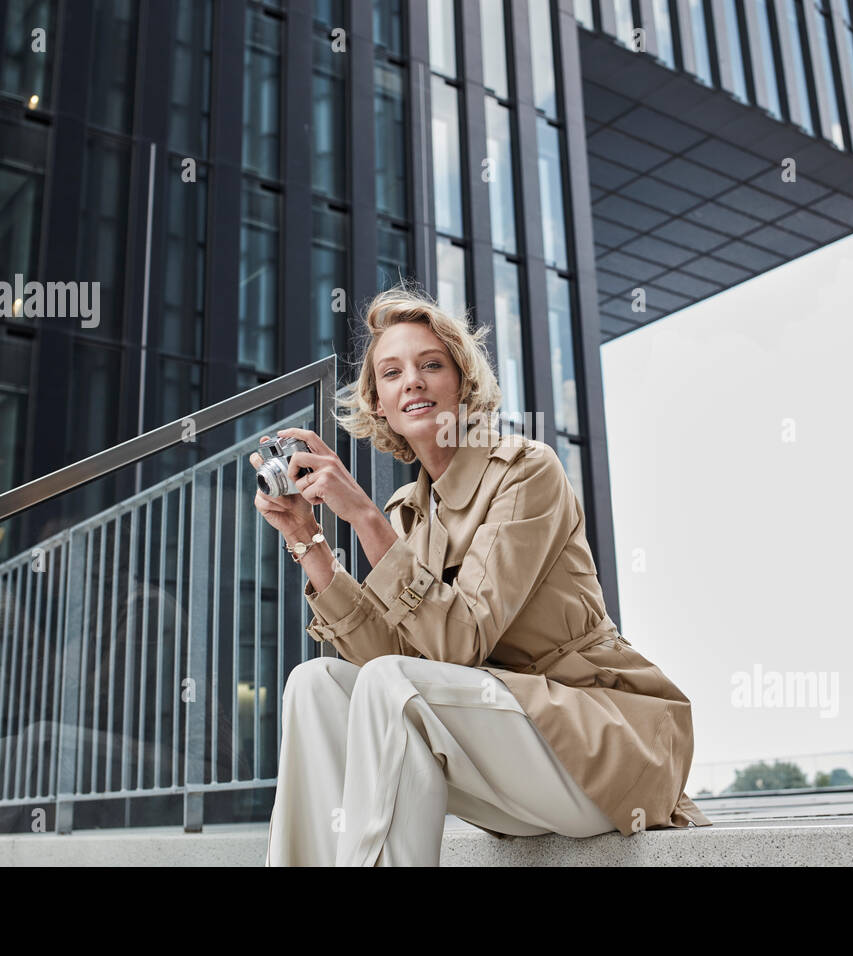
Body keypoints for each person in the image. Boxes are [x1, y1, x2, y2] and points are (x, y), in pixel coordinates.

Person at [255, 282, 710, 866]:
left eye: (430, 365)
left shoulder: (525, 471)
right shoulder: (408, 513)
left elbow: (459, 643)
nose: (412, 381)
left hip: (599, 745)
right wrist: (307, 540)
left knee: (395, 683)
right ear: (379, 403)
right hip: (507, 755)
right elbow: (380, 659)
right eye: (391, 373)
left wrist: (364, 517)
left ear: (463, 384)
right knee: (314, 684)